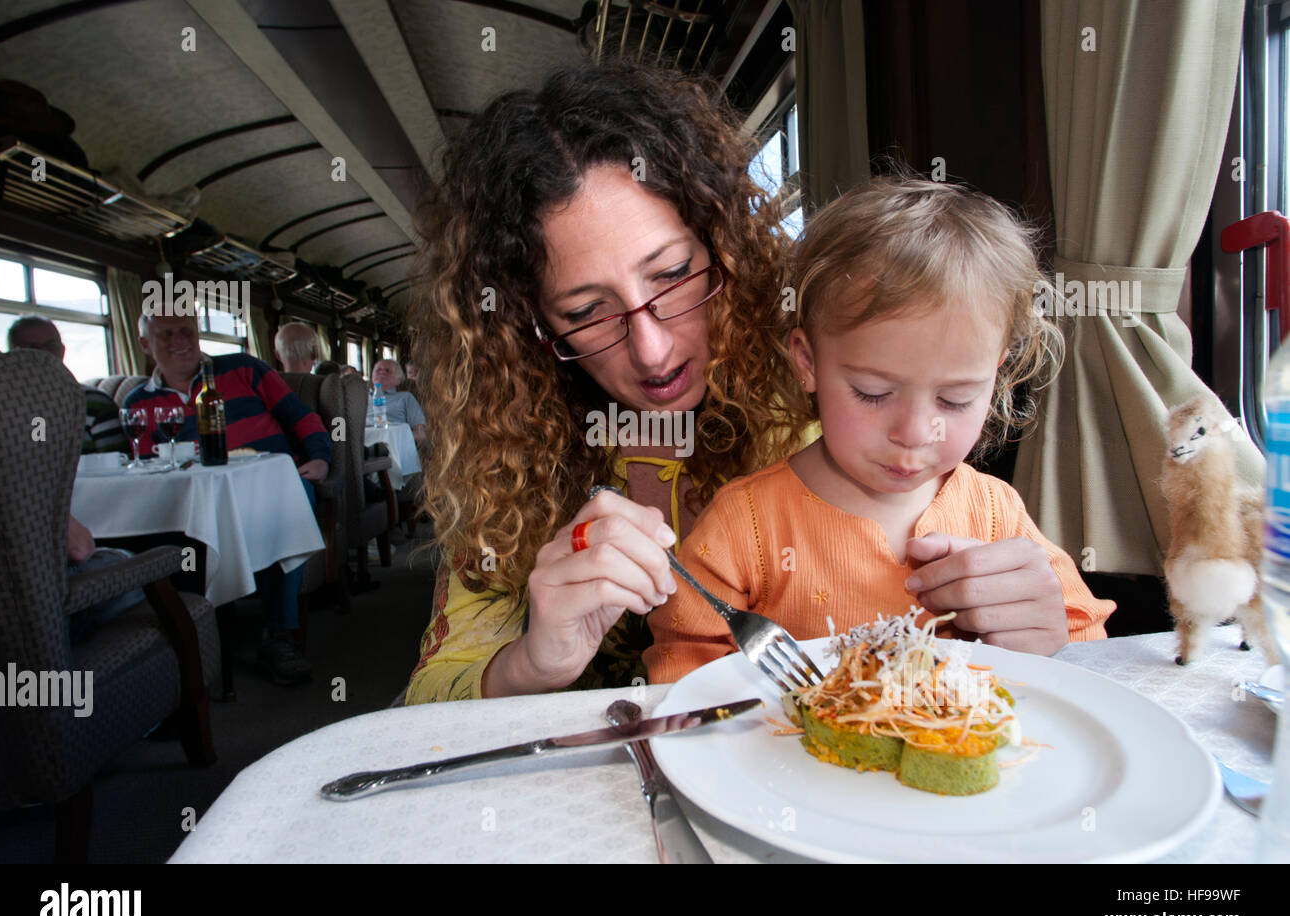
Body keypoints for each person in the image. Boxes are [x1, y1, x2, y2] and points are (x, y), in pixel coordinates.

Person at [397, 62, 796, 702]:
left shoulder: (817, 404)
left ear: (725, 246)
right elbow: (428, 694)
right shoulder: (505, 452)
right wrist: (533, 663)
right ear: (532, 327)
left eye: (671, 276)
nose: (653, 349)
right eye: (586, 313)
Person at [645, 177, 1118, 681]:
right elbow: (679, 685)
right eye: (873, 392)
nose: (916, 433)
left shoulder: (996, 514)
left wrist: (1050, 640)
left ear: (996, 373)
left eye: (955, 398)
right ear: (808, 362)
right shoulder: (745, 528)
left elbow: (1089, 649)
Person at [123, 310, 332, 684]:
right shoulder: (138, 403)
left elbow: (300, 416)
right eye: (165, 334)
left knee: (293, 496)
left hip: (270, 486)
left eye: (185, 331)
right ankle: (198, 633)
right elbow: (148, 468)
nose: (178, 341)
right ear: (144, 344)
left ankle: (279, 634)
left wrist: (319, 458)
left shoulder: (243, 369)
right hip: (197, 500)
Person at [7, 315, 125, 453]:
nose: (45, 353)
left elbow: (118, 463)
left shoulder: (95, 403)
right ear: (13, 355)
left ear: (63, 350)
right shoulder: (2, 408)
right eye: (33, 347)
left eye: (51, 345)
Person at [368, 359, 426, 443]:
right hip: (358, 443)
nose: (382, 372)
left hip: (390, 444)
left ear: (398, 380)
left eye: (388, 371)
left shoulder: (405, 397)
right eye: (379, 369)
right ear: (372, 375)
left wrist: (394, 436)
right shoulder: (359, 397)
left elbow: (421, 434)